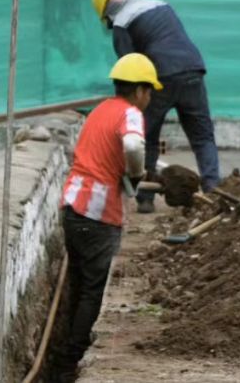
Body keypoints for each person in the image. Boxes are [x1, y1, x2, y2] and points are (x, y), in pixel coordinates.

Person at [54, 53, 160, 381]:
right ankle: (72, 359)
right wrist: (137, 172)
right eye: (149, 91)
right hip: (98, 211)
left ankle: (64, 355)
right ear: (140, 90)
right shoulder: (130, 113)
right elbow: (131, 146)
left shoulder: (101, 110)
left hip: (73, 204)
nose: (150, 97)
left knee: (80, 281)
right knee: (93, 288)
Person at [90, 0, 220, 213]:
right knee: (202, 137)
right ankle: (213, 188)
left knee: (147, 135)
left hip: (161, 78)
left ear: (106, 7)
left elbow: (129, 67)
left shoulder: (122, 22)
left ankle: (145, 197)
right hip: (193, 69)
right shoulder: (161, 5)